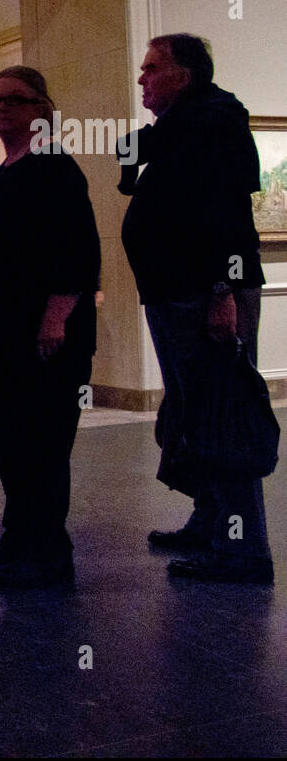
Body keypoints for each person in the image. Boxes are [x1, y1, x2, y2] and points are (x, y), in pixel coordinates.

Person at [121, 33, 273, 583]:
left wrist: (221, 293)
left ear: (183, 75)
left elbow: (227, 212)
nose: (142, 78)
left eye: (151, 68)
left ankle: (243, 549)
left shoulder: (214, 120)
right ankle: (211, 520)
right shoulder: (181, 126)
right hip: (174, 293)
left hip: (203, 294)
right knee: (193, 412)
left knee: (223, 414)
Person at [0, 66, 100, 587]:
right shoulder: (9, 173)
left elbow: (79, 253)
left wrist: (54, 319)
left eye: (16, 100)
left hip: (43, 338)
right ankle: (20, 541)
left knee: (42, 447)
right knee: (11, 443)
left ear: (42, 109)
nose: (1, 108)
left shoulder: (54, 169)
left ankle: (49, 555)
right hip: (3, 336)